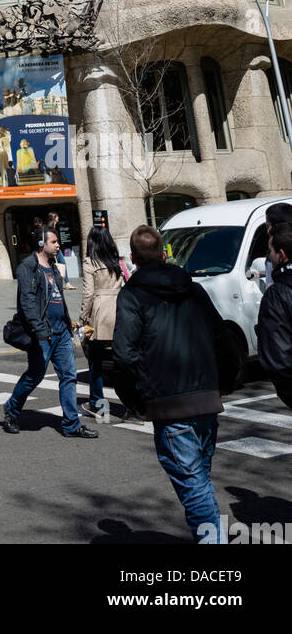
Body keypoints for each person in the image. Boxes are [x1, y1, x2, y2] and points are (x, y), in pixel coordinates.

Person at [112, 224, 242, 544]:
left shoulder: (132, 295)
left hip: (169, 402)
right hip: (205, 398)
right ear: (164, 253)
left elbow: (124, 355)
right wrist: (225, 382)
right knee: (199, 479)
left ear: (132, 258)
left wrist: (135, 401)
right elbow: (222, 337)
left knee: (194, 483)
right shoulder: (193, 289)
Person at [2, 226, 98, 439]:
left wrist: (68, 320)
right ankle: (12, 409)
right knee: (34, 376)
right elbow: (27, 303)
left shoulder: (54, 267)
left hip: (61, 331)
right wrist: (39, 331)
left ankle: (72, 425)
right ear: (41, 244)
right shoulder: (27, 267)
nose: (58, 245)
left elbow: (56, 297)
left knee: (69, 376)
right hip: (42, 333)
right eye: (53, 242)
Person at [77, 224, 128, 419]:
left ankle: (97, 403)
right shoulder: (117, 261)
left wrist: (83, 317)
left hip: (99, 311)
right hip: (119, 309)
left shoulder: (91, 262)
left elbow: (88, 292)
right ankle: (132, 405)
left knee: (95, 362)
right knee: (123, 359)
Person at [257, 220, 292, 409]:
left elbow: (278, 358)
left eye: (270, 252)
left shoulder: (277, 295)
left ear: (282, 254)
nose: (270, 257)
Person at [46, 211, 75, 290]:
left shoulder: (54, 227)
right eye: (57, 217)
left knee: (62, 264)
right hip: (53, 250)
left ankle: (67, 283)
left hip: (57, 249)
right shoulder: (49, 229)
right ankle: (55, 283)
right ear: (53, 218)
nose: (58, 219)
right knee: (54, 266)